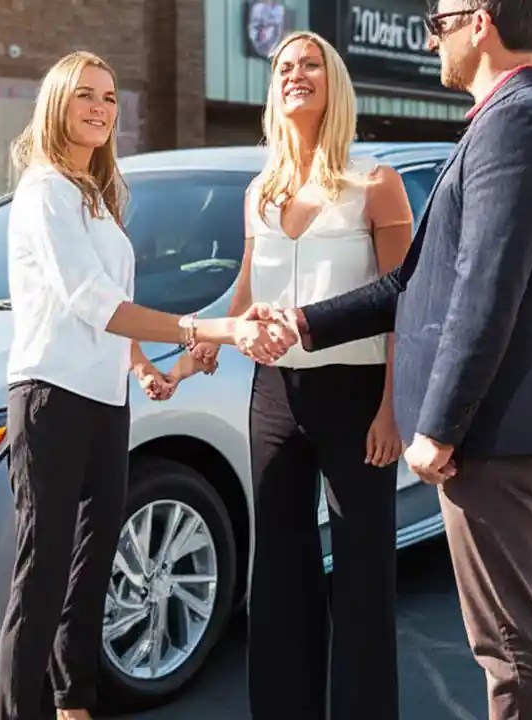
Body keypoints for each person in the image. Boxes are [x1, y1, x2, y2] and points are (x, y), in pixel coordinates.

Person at [263, 2, 532, 718]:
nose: (432, 38)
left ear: (480, 21)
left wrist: (440, 424)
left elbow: (487, 291)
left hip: (498, 435)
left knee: (508, 645)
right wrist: (302, 322)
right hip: (520, 425)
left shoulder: (516, 124)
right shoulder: (518, 118)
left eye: (439, 22)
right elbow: (414, 283)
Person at [0, 50, 295, 720]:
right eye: (85, 97)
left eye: (108, 98)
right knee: (41, 576)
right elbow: (91, 302)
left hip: (106, 400)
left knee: (92, 564)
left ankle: (75, 707)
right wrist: (202, 332)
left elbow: (115, 299)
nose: (101, 109)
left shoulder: (95, 196)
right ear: (57, 106)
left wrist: (142, 367)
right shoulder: (45, 191)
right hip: (50, 396)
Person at [181, 30, 413, 720]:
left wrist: (394, 407)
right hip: (275, 394)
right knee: (279, 569)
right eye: (285, 66)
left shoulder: (375, 183)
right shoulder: (260, 191)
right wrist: (197, 355)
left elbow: (406, 296)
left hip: (359, 394)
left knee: (364, 574)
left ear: (333, 83)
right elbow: (247, 292)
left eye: (310, 64)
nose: (295, 74)